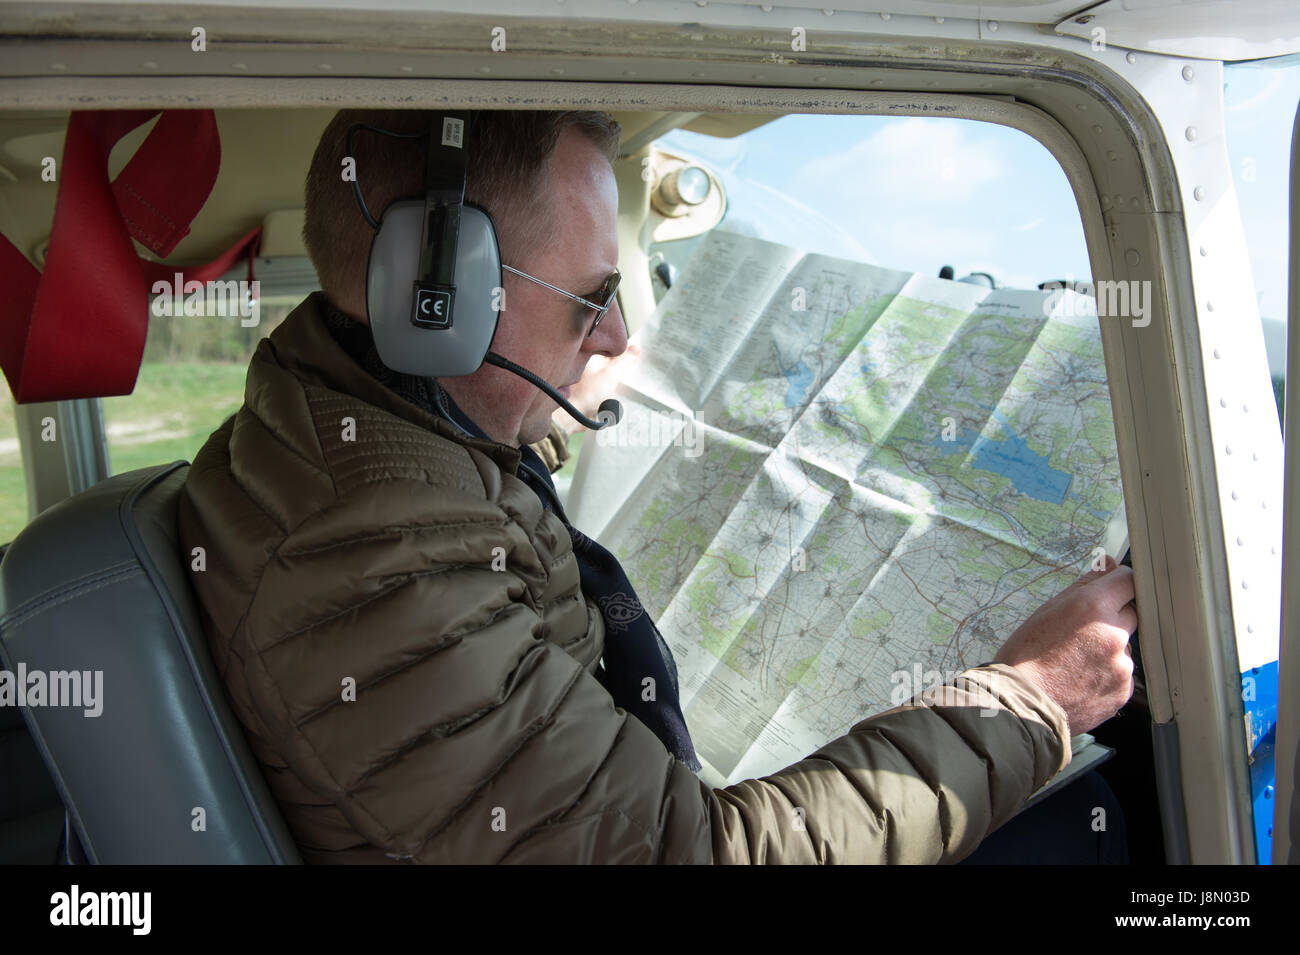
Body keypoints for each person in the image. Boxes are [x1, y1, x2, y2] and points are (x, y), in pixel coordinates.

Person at [177, 108, 1137, 864]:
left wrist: (538, 406)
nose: (617, 338)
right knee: (1077, 821)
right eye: (593, 298)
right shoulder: (374, 567)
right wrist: (1029, 699)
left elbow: (446, 498)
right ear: (442, 303)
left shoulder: (346, 431)